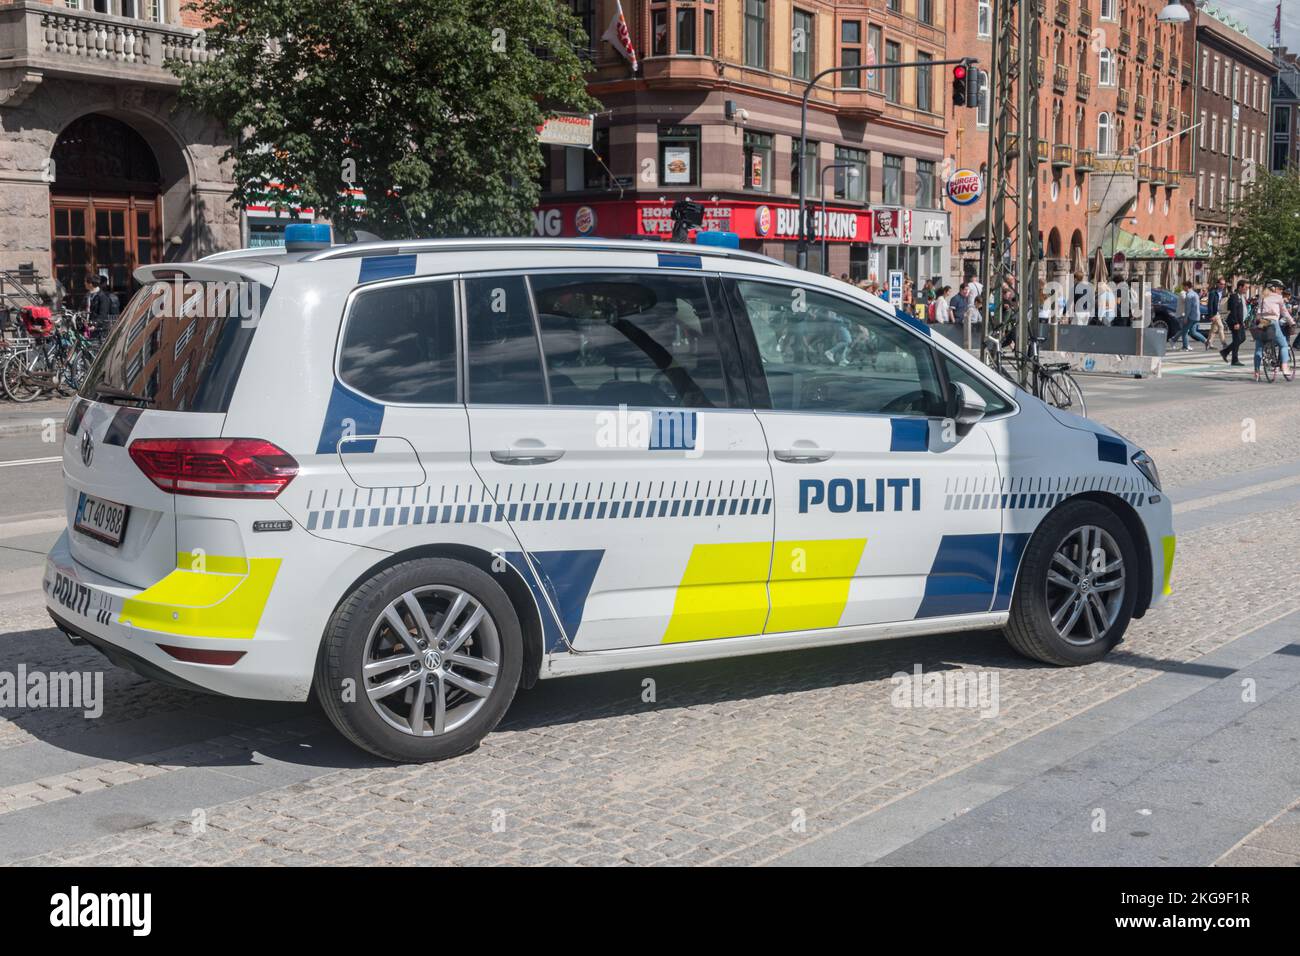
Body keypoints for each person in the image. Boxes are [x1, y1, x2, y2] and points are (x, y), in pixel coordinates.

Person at [1254, 280, 1293, 381]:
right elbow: (1284, 312)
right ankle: (1285, 368)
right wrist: (1291, 322)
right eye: (1280, 288)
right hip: (1272, 322)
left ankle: (1257, 372)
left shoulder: (1262, 297)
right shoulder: (1278, 297)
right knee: (1283, 345)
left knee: (1259, 348)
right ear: (1273, 288)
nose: (1281, 291)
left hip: (1261, 322)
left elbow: (1258, 311)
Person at [1220, 279, 1247, 366]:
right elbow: (1234, 310)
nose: (1246, 289)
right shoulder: (1234, 296)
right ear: (1240, 287)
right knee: (1237, 339)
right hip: (1235, 322)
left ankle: (1225, 351)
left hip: (1240, 322)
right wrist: (1236, 323)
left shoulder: (1241, 296)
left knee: (1242, 338)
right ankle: (1234, 360)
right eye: (1245, 287)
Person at [1178, 283, 1206, 350]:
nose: (1183, 288)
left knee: (1184, 331)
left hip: (1191, 316)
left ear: (1187, 286)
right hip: (1197, 316)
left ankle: (1185, 346)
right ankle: (1206, 341)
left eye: (1184, 286)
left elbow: (1188, 308)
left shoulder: (1189, 296)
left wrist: (1186, 317)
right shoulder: (1195, 294)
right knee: (1193, 332)